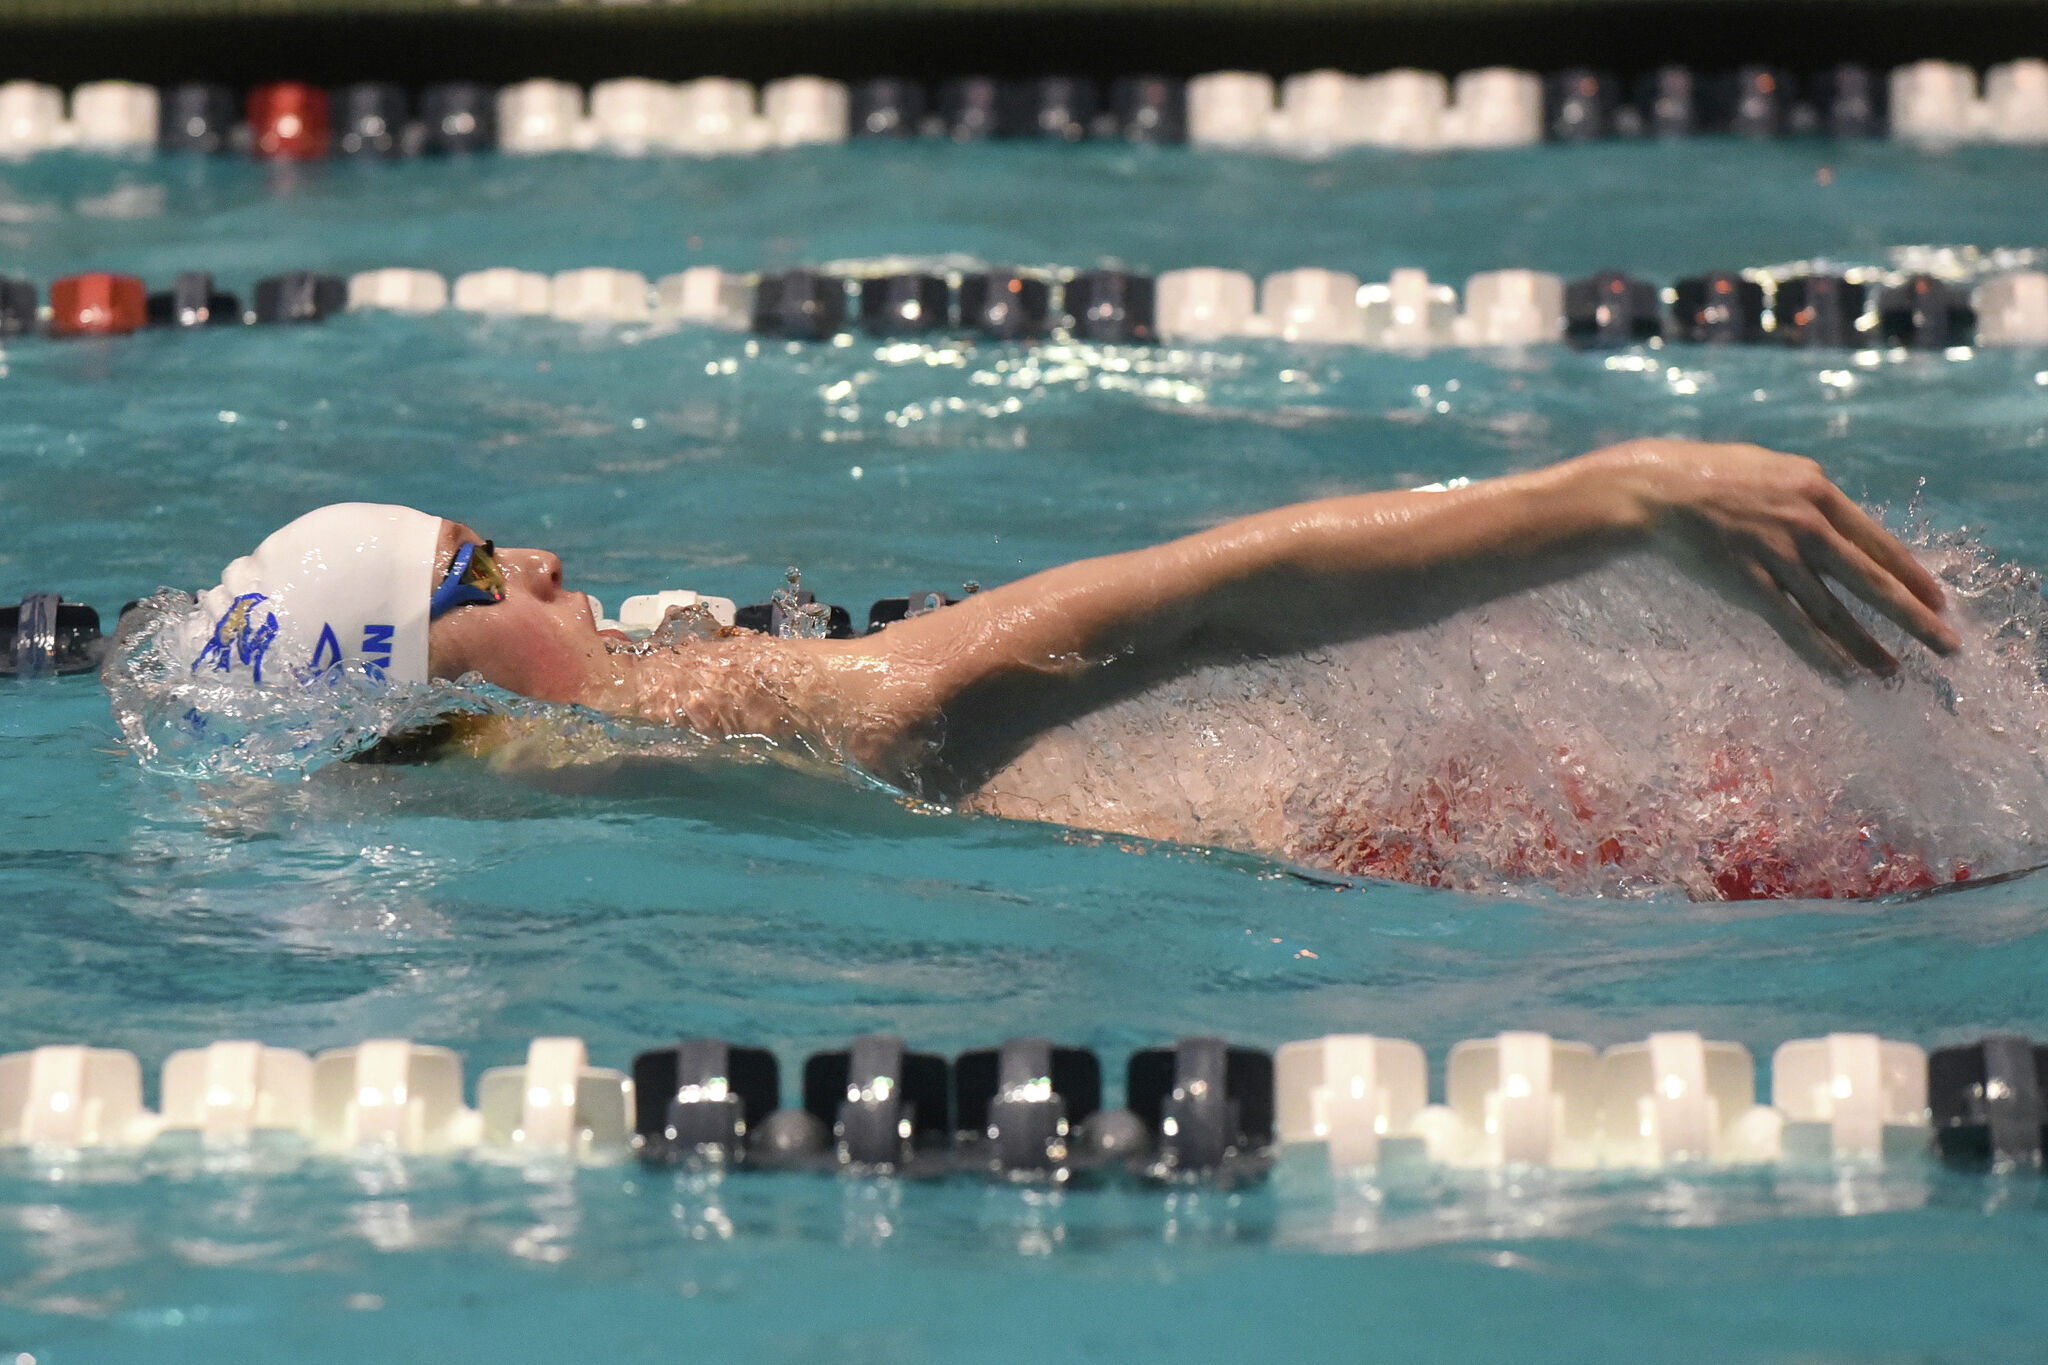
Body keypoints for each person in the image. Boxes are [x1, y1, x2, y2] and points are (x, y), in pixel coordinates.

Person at [170, 437, 1956, 811]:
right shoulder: (775, 715)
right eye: (483, 577)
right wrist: (1621, 497)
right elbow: (1217, 600)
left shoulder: (655, 740)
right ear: (421, 684)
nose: (549, 564)